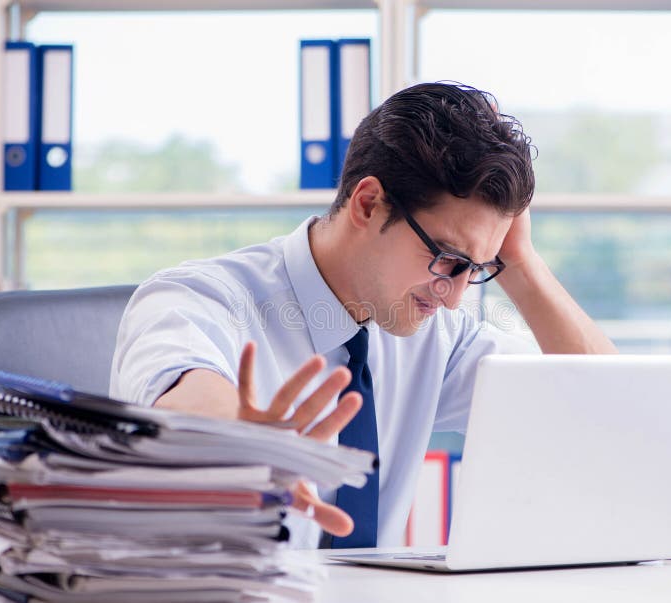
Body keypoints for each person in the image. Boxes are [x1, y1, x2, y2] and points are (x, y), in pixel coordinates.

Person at [110, 82, 617, 550]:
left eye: (477, 268)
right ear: (369, 203)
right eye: (447, 258)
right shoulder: (198, 299)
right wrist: (240, 444)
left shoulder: (431, 332)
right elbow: (189, 403)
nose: (454, 297)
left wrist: (521, 265)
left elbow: (605, 406)